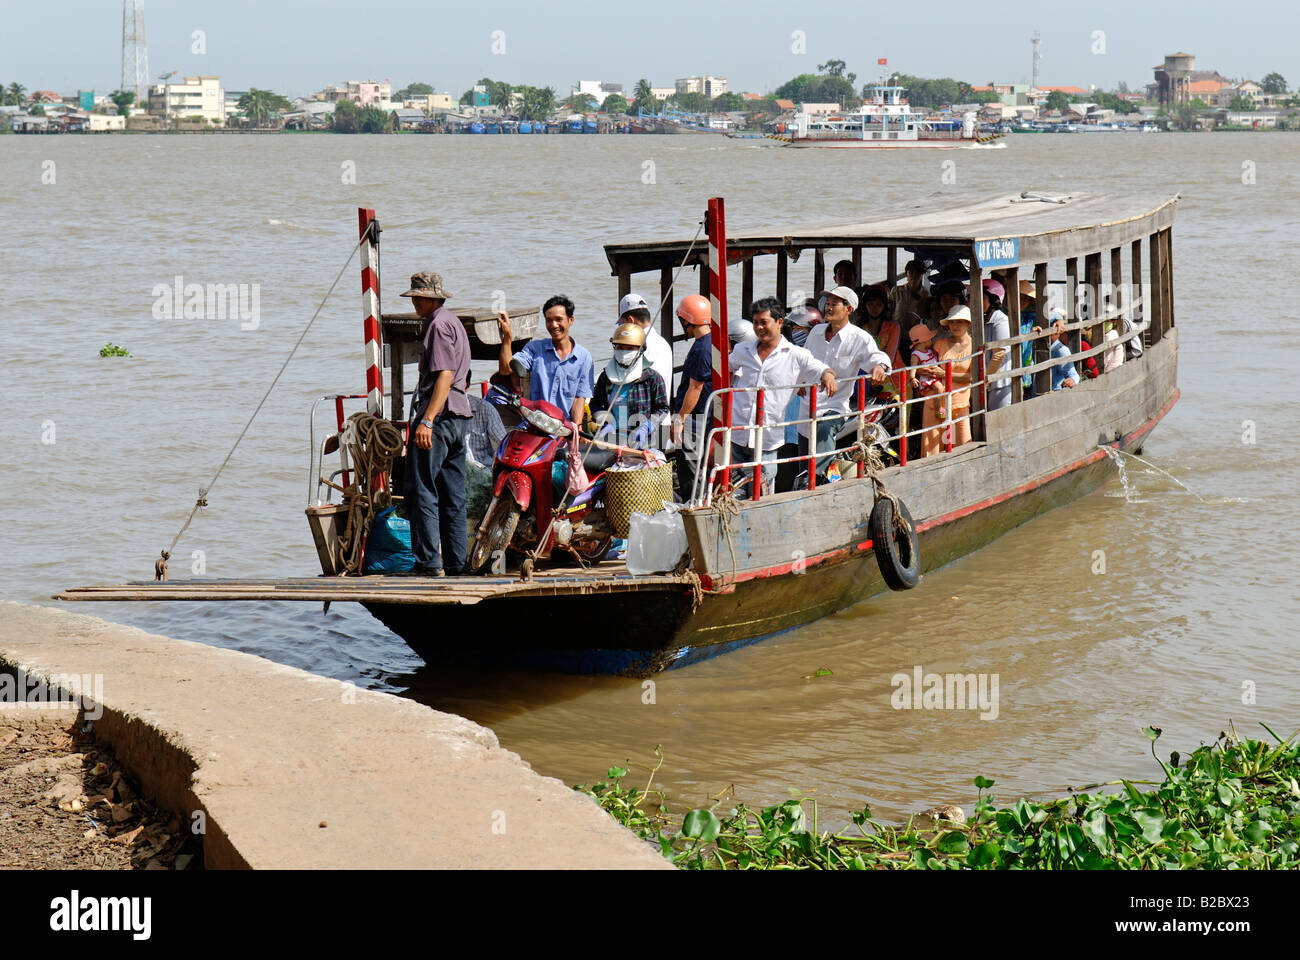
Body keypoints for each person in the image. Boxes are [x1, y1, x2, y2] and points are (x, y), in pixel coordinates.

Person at [400, 271, 473, 576]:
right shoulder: (453, 322)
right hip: (459, 417)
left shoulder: (437, 325)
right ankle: (456, 564)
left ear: (432, 298)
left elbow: (444, 374)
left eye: (418, 296)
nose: (415, 301)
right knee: (453, 496)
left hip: (440, 420)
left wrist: (427, 421)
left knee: (423, 491)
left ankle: (429, 563)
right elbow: (463, 379)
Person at [729, 299, 835, 498]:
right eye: (755, 322)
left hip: (767, 438)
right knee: (734, 494)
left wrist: (828, 375)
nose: (759, 327)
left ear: (778, 322)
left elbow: (818, 368)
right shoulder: (742, 350)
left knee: (761, 495)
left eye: (764, 322)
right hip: (737, 433)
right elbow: (726, 368)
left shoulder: (795, 355)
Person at [800, 287, 889, 479]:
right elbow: (804, 360)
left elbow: (877, 357)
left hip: (835, 405)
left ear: (848, 309)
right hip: (807, 403)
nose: (829, 308)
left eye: (834, 304)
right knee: (802, 456)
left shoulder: (859, 338)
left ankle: (820, 482)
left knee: (823, 428)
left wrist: (879, 367)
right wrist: (799, 380)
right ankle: (807, 480)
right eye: (828, 303)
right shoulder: (815, 332)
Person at [496, 294, 593, 426]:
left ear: (571, 320)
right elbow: (506, 369)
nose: (554, 325)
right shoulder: (535, 349)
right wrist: (507, 337)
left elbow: (578, 398)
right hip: (533, 424)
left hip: (562, 429)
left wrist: (577, 428)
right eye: (549, 320)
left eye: (559, 319)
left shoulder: (584, 357)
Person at [591, 323, 668, 448]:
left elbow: (662, 408)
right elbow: (595, 404)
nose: (624, 351)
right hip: (612, 442)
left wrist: (647, 426)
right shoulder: (606, 377)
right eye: (620, 347)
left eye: (630, 348)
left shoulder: (652, 378)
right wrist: (605, 423)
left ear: (641, 349)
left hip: (643, 443)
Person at [669, 294, 714, 500]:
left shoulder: (702, 348)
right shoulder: (710, 343)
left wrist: (680, 419)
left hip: (695, 418)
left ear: (687, 320)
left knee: (690, 470)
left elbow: (695, 388)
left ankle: (693, 508)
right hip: (705, 416)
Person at [919, 305, 975, 457]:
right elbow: (923, 364)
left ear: (968, 323)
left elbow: (972, 377)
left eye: (959, 322)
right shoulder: (939, 344)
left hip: (960, 404)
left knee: (963, 448)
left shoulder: (974, 347)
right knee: (931, 450)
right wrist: (922, 371)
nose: (955, 326)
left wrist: (944, 373)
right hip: (934, 403)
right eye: (952, 322)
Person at [616, 293, 674, 398]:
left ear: (630, 320)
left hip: (642, 411)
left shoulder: (639, 347)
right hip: (662, 410)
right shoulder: (663, 343)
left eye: (622, 324)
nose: (623, 328)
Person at [981, 278, 1012, 411]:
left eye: (981, 297)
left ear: (993, 300)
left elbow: (999, 354)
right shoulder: (983, 319)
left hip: (999, 382)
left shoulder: (1000, 320)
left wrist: (986, 381)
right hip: (986, 380)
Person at [856, 284, 902, 370]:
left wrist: (881, 368)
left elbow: (890, 355)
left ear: (884, 306)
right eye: (870, 304)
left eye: (879, 305)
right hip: (864, 371)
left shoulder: (893, 327)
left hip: (890, 372)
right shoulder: (857, 327)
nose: (874, 308)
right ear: (865, 306)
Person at [889, 258, 930, 329]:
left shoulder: (926, 295)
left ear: (922, 276)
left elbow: (927, 316)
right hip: (897, 332)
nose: (914, 276)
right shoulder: (896, 291)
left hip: (915, 334)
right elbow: (889, 312)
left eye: (918, 273)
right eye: (911, 272)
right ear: (906, 274)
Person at [1016, 280, 1038, 398]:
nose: (1023, 301)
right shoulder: (1005, 316)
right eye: (1020, 297)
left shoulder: (1028, 317)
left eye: (1026, 299)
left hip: (1026, 363)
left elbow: (1052, 316)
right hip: (1011, 363)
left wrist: (1058, 320)